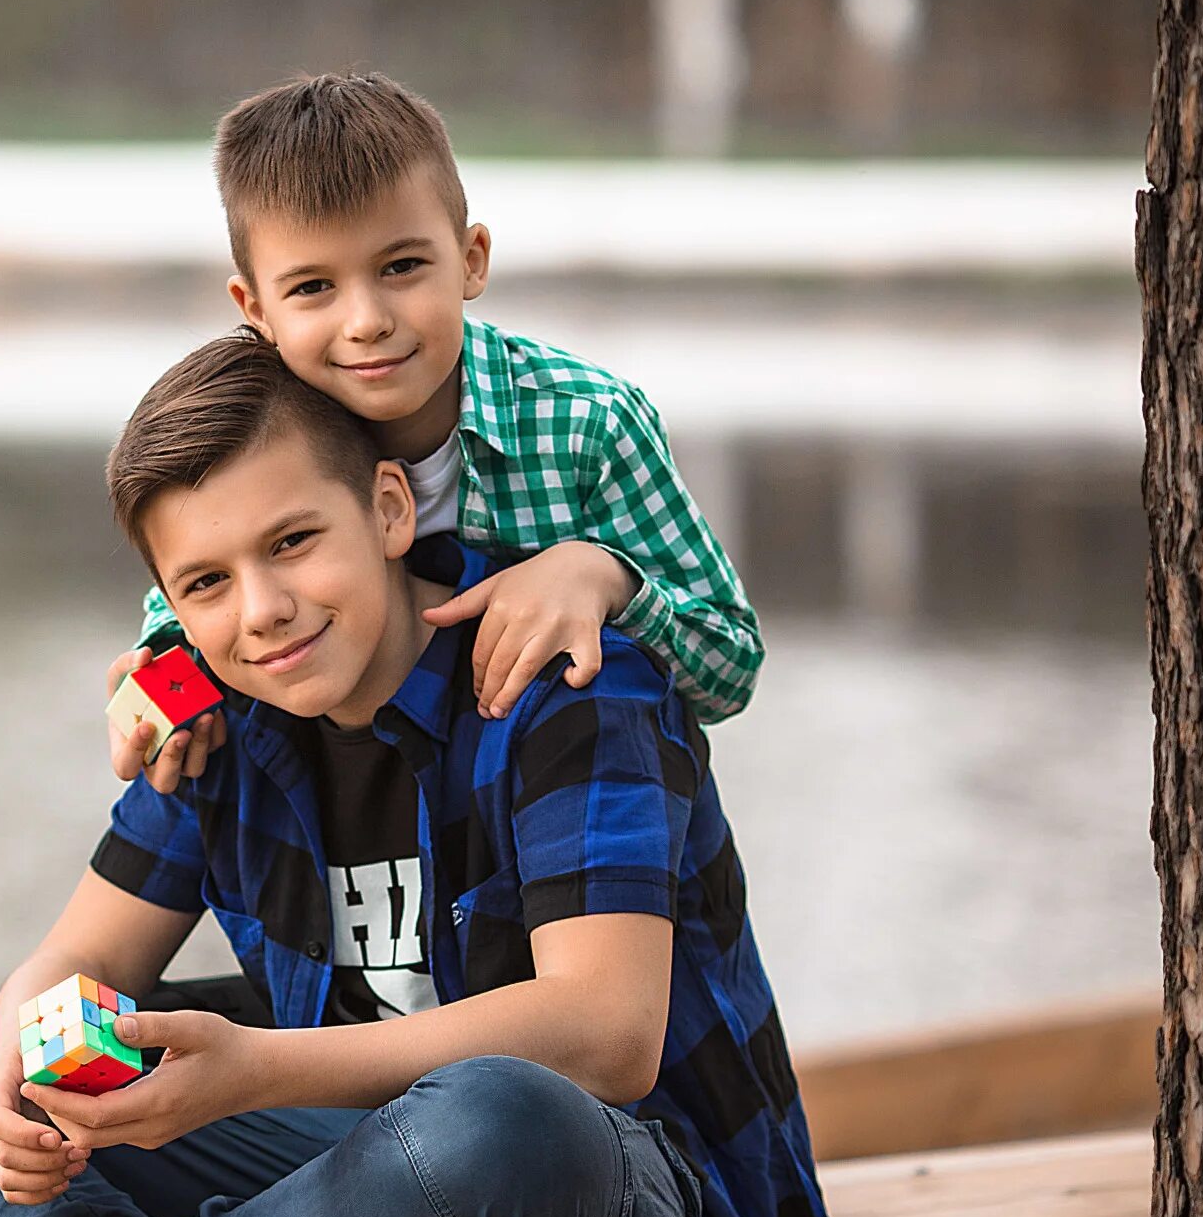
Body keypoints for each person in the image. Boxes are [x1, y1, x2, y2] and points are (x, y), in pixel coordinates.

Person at [0, 333, 890, 1217]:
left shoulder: (565, 682)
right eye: (206, 582)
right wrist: (13, 1070)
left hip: (624, 1213)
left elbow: (606, 1037)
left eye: (293, 542)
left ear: (389, 510)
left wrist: (246, 1075)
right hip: (333, 1169)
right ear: (169, 607)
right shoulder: (218, 726)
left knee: (488, 1123)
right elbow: (71, 970)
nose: (262, 610)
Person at [112, 70, 759, 798]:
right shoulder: (264, 442)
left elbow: (728, 669)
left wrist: (602, 576)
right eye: (312, 288)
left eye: (402, 266)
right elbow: (190, 601)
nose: (366, 320)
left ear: (471, 258)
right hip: (387, 830)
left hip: (580, 805)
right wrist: (161, 683)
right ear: (255, 307)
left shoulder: (586, 422)